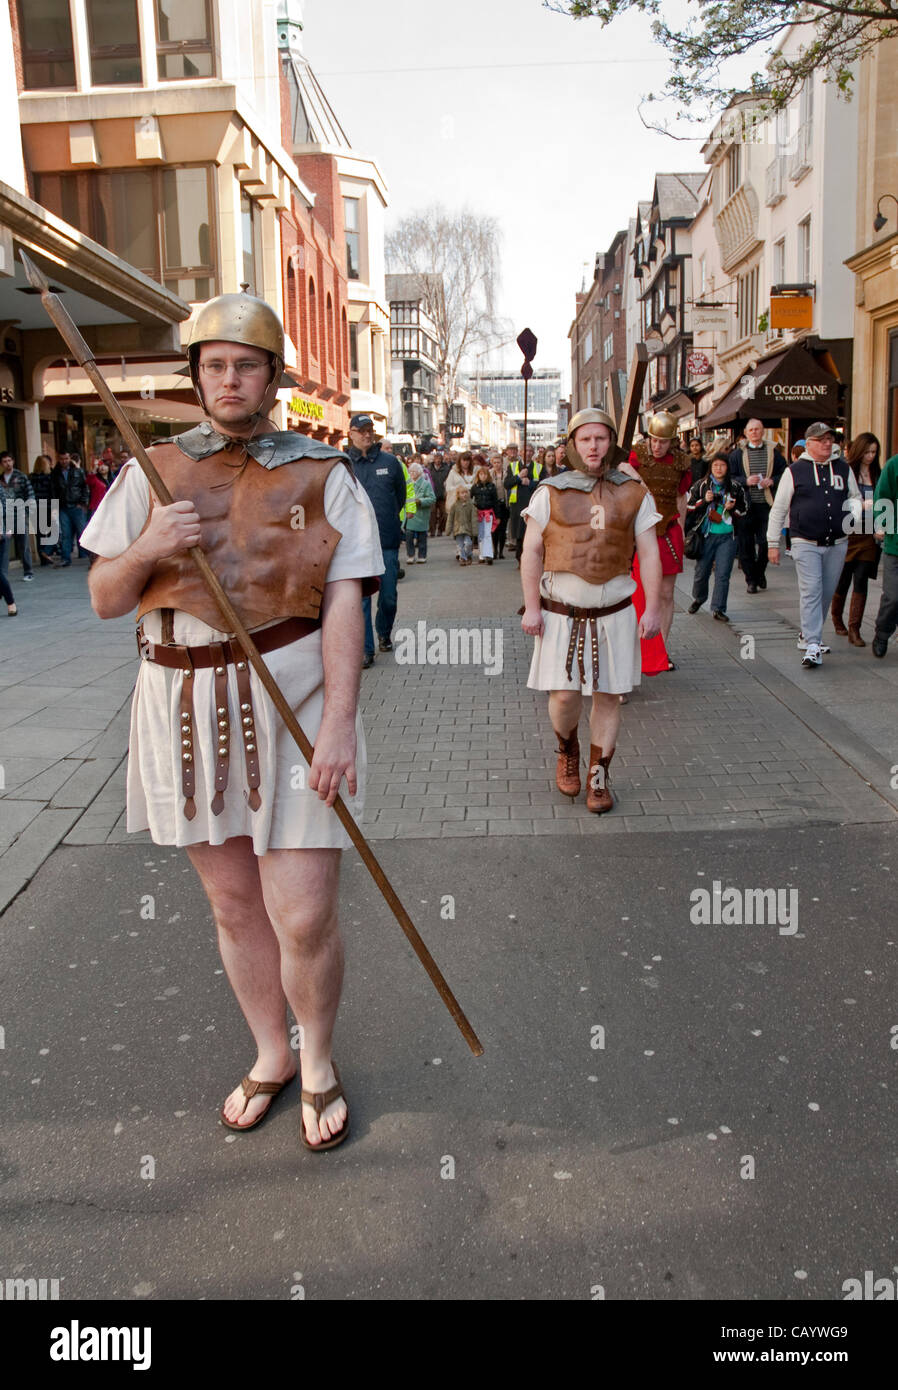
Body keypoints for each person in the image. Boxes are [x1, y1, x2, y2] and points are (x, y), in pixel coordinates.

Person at [81, 289, 383, 1149]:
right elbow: (105, 598)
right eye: (213, 366)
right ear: (195, 376)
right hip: (179, 702)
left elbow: (343, 607)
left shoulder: (324, 475)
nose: (228, 380)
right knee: (233, 907)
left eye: (244, 366)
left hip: (291, 707)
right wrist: (148, 548)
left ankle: (318, 1058)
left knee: (304, 911)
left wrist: (338, 727)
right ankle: (270, 1053)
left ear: (271, 376)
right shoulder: (153, 470)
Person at [519, 408, 662, 813]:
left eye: (600, 438)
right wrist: (532, 607)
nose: (593, 446)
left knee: (609, 698)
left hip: (615, 613)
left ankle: (598, 777)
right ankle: (567, 749)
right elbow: (530, 551)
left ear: (611, 442)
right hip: (562, 613)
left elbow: (649, 552)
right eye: (585, 439)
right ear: (572, 444)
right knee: (564, 698)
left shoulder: (634, 491)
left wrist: (651, 608)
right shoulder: (549, 491)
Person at [767, 422, 860, 668]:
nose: (827, 443)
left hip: (837, 542)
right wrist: (772, 542)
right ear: (809, 444)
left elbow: (855, 497)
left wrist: (854, 515)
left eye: (830, 439)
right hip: (804, 540)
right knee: (812, 590)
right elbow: (779, 508)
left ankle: (807, 634)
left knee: (827, 591)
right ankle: (812, 644)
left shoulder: (843, 468)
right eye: (821, 440)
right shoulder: (795, 471)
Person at [628, 411, 692, 667]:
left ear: (672, 441)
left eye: (662, 441)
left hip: (668, 530)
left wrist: (683, 529)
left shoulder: (681, 462)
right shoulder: (635, 457)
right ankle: (635, 648)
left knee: (665, 594)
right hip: (636, 531)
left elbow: (681, 498)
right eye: (653, 440)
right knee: (635, 592)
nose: (656, 446)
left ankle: (661, 651)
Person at [346, 413, 405, 669]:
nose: (366, 434)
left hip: (387, 540)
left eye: (370, 430)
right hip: (355, 545)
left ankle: (383, 632)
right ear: (351, 433)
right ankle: (365, 650)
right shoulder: (341, 464)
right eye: (361, 430)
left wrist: (391, 519)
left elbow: (401, 497)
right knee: (361, 600)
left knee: (389, 596)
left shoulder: (391, 463)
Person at [831, 433, 881, 646]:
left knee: (861, 580)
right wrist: (858, 505)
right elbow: (836, 501)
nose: (870, 456)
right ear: (859, 450)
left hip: (869, 535)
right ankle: (836, 617)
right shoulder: (846, 471)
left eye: (874, 452)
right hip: (848, 533)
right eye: (867, 451)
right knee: (843, 580)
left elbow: (885, 498)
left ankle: (855, 628)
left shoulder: (877, 473)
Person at [685, 453, 748, 621]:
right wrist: (704, 501)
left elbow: (744, 509)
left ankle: (718, 608)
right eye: (715, 465)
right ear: (711, 468)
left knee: (723, 574)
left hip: (727, 536)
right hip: (706, 535)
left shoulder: (735, 486)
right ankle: (699, 598)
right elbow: (689, 506)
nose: (719, 468)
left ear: (727, 467)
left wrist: (733, 508)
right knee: (701, 571)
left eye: (722, 465)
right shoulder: (701, 485)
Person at [727, 418, 787, 594]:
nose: (754, 432)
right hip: (745, 506)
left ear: (763, 432)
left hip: (766, 505)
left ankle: (760, 572)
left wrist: (772, 480)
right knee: (745, 545)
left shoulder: (773, 453)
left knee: (765, 542)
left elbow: (784, 473)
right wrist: (745, 481)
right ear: (746, 433)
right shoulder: (737, 455)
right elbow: (730, 477)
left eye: (757, 429)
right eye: (751, 430)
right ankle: (751, 580)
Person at [871, 445, 898, 659]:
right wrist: (881, 524)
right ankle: (882, 632)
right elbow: (883, 495)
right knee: (893, 596)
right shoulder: (893, 465)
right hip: (895, 544)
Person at [504, 443, 544, 565]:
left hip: (532, 503)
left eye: (531, 451)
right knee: (519, 533)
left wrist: (530, 483)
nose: (528, 453)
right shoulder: (513, 466)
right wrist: (518, 477)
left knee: (531, 532)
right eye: (525, 451)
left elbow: (543, 484)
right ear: (520, 452)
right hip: (518, 504)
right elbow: (507, 484)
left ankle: (531, 558)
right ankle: (520, 557)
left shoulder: (538, 467)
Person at [51, 448, 90, 566]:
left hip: (76, 505)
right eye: (62, 459)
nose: (64, 461)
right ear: (59, 459)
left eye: (66, 458)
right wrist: (54, 506)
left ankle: (91, 557)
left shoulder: (78, 471)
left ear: (70, 458)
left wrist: (83, 503)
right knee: (66, 534)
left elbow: (85, 487)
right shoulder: (55, 473)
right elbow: (53, 490)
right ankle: (65, 558)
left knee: (83, 532)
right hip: (63, 506)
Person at [0, 451, 35, 581]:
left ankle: (28, 571)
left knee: (24, 544)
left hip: (20, 514)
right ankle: (3, 574)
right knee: (4, 546)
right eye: (5, 461)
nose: (7, 463)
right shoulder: (1, 479)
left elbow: (30, 494)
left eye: (9, 460)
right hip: (5, 517)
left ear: (13, 461)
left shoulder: (21, 476)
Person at [405, 461, 435, 564]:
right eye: (410, 471)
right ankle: (410, 555)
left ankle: (422, 555)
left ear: (419, 472)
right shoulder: (407, 484)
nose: (412, 473)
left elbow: (432, 499)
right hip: (410, 514)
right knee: (408, 535)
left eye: (414, 471)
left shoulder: (425, 484)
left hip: (422, 514)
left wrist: (420, 501)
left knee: (422, 536)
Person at [470, 457, 498, 564]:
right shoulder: (475, 487)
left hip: (488, 513)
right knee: (480, 534)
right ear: (478, 476)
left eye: (485, 474)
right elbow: (470, 499)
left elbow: (495, 501)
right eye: (481, 474)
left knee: (487, 534)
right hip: (479, 513)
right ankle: (481, 555)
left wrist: (497, 516)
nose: (483, 476)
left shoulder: (492, 487)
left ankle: (488, 555)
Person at [30, 454, 57, 564]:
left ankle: (43, 558)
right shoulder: (49, 477)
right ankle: (46, 552)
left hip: (35, 508)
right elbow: (52, 493)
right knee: (52, 532)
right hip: (48, 507)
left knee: (40, 534)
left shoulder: (31, 477)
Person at [447, 485, 478, 564]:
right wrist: (448, 529)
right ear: (458, 495)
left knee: (468, 543)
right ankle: (463, 558)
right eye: (462, 493)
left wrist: (475, 530)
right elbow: (450, 518)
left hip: (468, 529)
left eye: (466, 492)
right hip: (458, 529)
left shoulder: (471, 505)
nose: (464, 494)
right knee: (460, 546)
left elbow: (474, 519)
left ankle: (469, 555)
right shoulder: (454, 506)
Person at [426, 451, 452, 537]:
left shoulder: (446, 468)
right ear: (434, 459)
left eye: (439, 459)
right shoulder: (429, 468)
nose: (438, 460)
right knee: (432, 513)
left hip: (442, 494)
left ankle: (441, 529)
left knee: (444, 514)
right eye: (436, 459)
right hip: (432, 494)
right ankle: (432, 531)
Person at [490, 456, 509, 559]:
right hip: (493, 505)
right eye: (495, 462)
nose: (497, 464)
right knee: (494, 530)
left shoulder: (506, 473)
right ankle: (494, 550)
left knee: (502, 529)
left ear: (502, 463)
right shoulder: (489, 474)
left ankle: (501, 551)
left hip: (504, 504)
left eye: (499, 462)